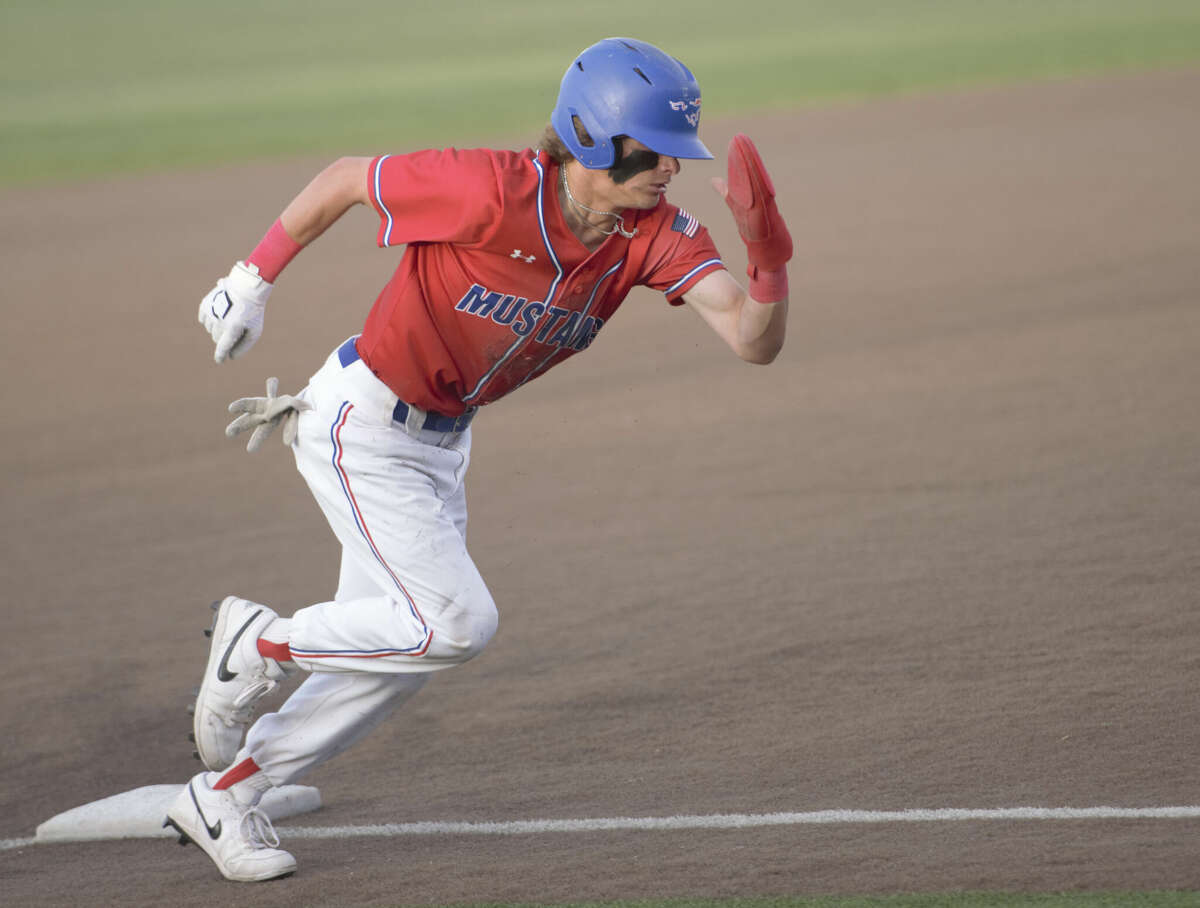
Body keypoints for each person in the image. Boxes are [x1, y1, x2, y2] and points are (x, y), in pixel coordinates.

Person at [164, 36, 792, 882]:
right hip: (362, 423)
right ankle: (264, 644)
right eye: (655, 151)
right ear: (595, 138)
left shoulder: (651, 236)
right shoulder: (490, 191)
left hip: (441, 447)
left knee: (393, 656)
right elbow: (351, 178)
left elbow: (753, 342)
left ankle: (226, 796)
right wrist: (252, 277)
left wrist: (769, 263)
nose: (672, 170)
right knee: (453, 624)